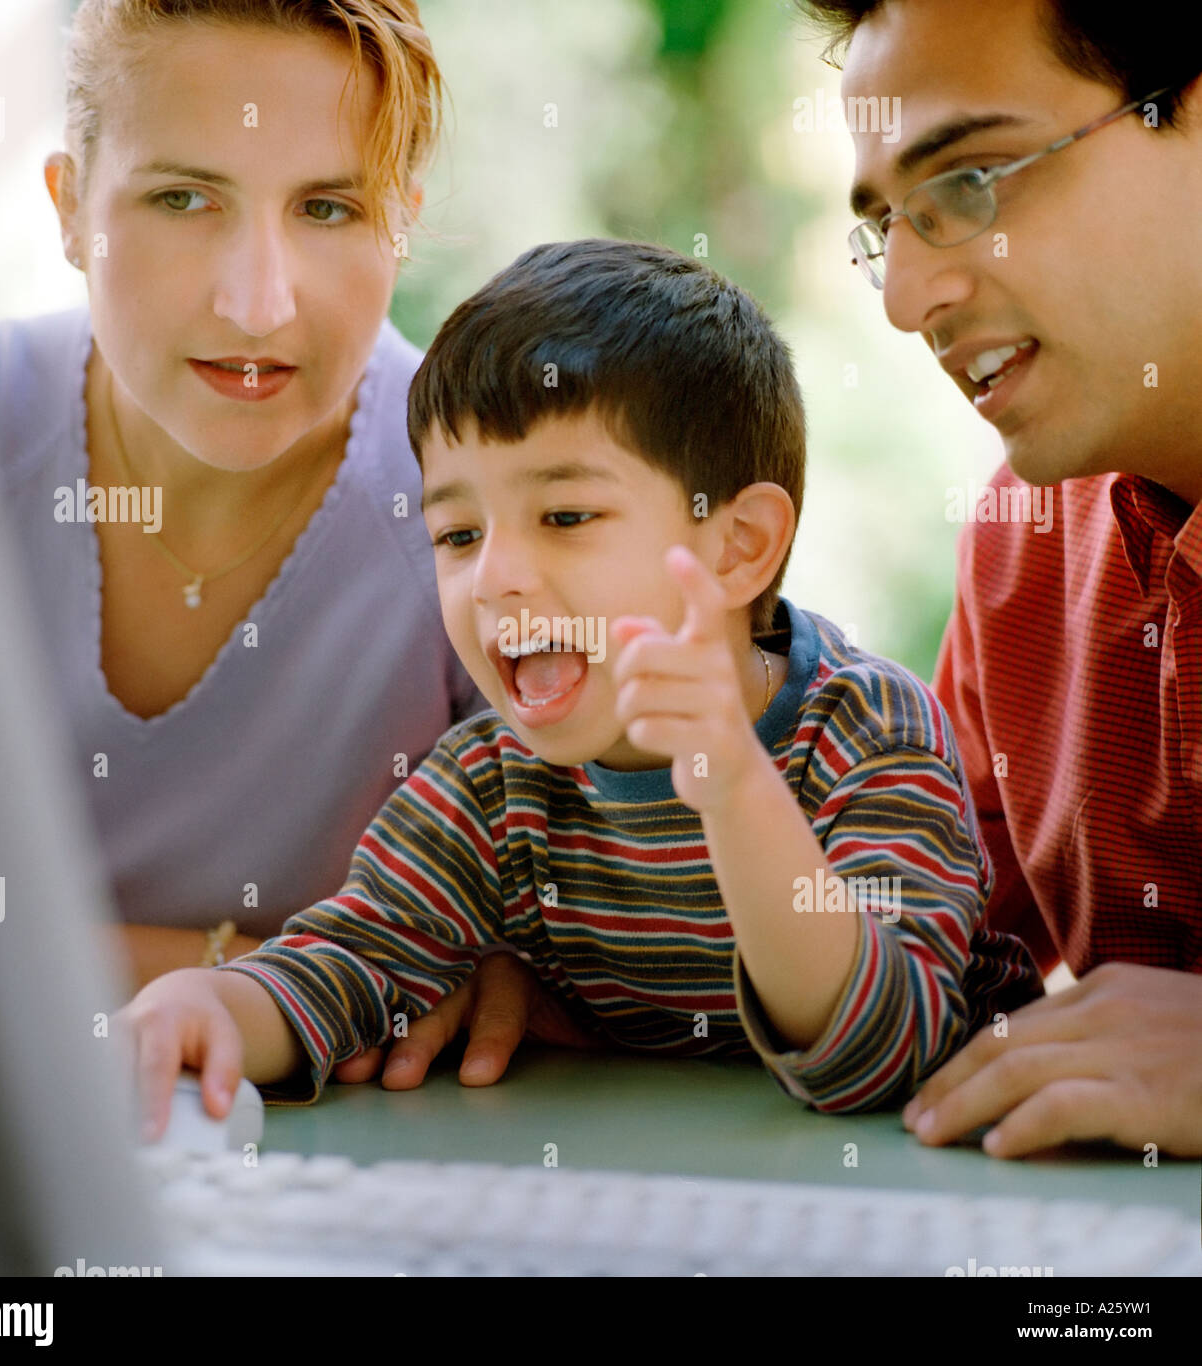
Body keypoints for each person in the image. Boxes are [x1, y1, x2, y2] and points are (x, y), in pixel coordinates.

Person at [117, 239, 1041, 1135]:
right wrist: (217, 1008)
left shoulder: (868, 730)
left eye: (565, 516)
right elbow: (357, 964)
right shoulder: (491, 783)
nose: (496, 578)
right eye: (459, 535)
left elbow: (879, 1052)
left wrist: (733, 789)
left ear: (739, 546)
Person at [0, 0, 496, 1002]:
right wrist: (313, 978)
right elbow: (427, 971)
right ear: (69, 209)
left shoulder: (490, 504)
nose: (257, 304)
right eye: (184, 200)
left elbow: (578, 947)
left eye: (327, 209)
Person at [772, 0, 1202, 1160]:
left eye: (970, 181)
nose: (908, 301)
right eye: (888, 226)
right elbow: (908, 959)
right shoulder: (1026, 539)